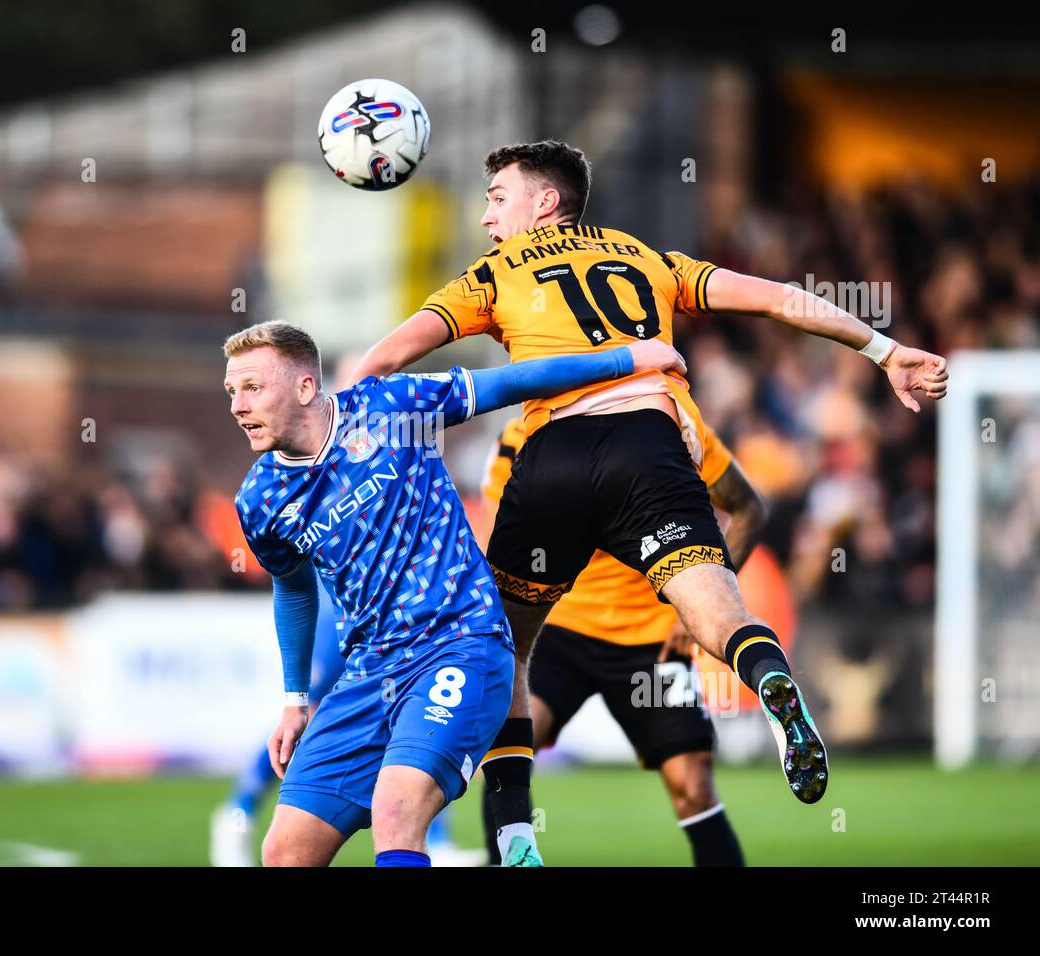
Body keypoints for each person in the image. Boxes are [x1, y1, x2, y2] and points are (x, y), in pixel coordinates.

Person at [347, 140, 949, 865]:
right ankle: (772, 680)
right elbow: (776, 298)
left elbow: (380, 360)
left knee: (505, 650)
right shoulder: (649, 258)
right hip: (649, 443)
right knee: (720, 617)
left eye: (497, 197)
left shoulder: (492, 273)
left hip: (555, 452)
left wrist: (346, 425)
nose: (486, 218)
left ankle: (514, 839)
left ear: (545, 203)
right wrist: (885, 351)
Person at [226, 319, 685, 866]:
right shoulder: (260, 498)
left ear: (305, 386)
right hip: (368, 672)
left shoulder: (391, 409)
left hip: (460, 645)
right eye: (232, 391)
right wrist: (295, 699)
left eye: (252, 388)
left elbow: (511, 382)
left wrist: (623, 360)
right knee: (283, 851)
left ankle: (512, 832)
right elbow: (294, 589)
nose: (238, 405)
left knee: (397, 814)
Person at [474, 410, 764, 866]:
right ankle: (504, 860)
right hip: (560, 630)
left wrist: (695, 612)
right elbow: (500, 539)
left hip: (651, 641)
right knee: (512, 747)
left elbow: (748, 508)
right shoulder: (518, 440)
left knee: (693, 789)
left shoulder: (674, 427)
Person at [209, 585, 486, 866]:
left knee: (413, 715)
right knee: (310, 713)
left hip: (398, 604)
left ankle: (433, 840)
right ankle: (239, 808)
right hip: (347, 600)